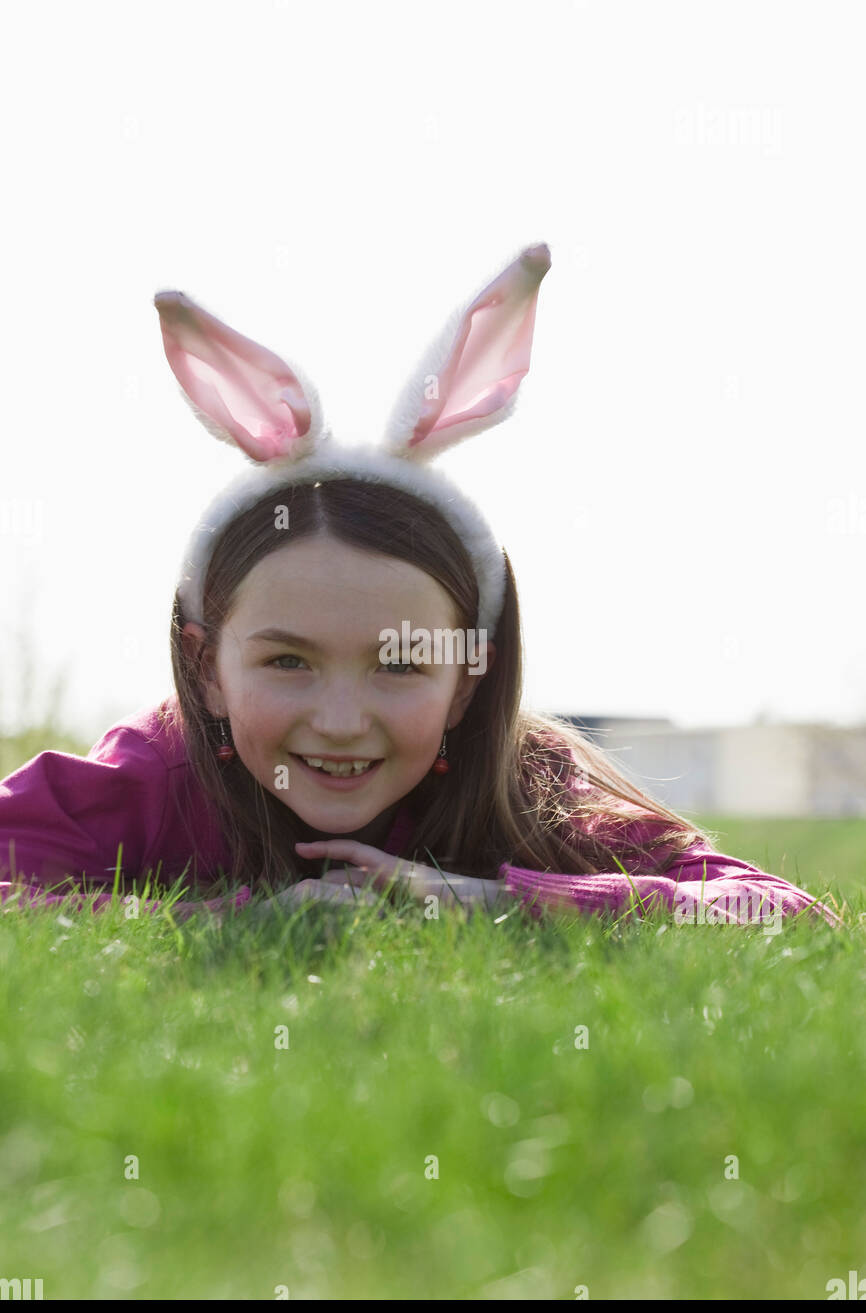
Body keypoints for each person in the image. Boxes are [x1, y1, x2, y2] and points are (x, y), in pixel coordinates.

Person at [0, 244, 838, 929]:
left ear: (469, 681)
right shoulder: (156, 775)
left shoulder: (527, 784)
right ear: (209, 668)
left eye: (400, 664)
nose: (338, 721)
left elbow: (788, 916)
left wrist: (508, 903)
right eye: (288, 662)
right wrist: (222, 920)